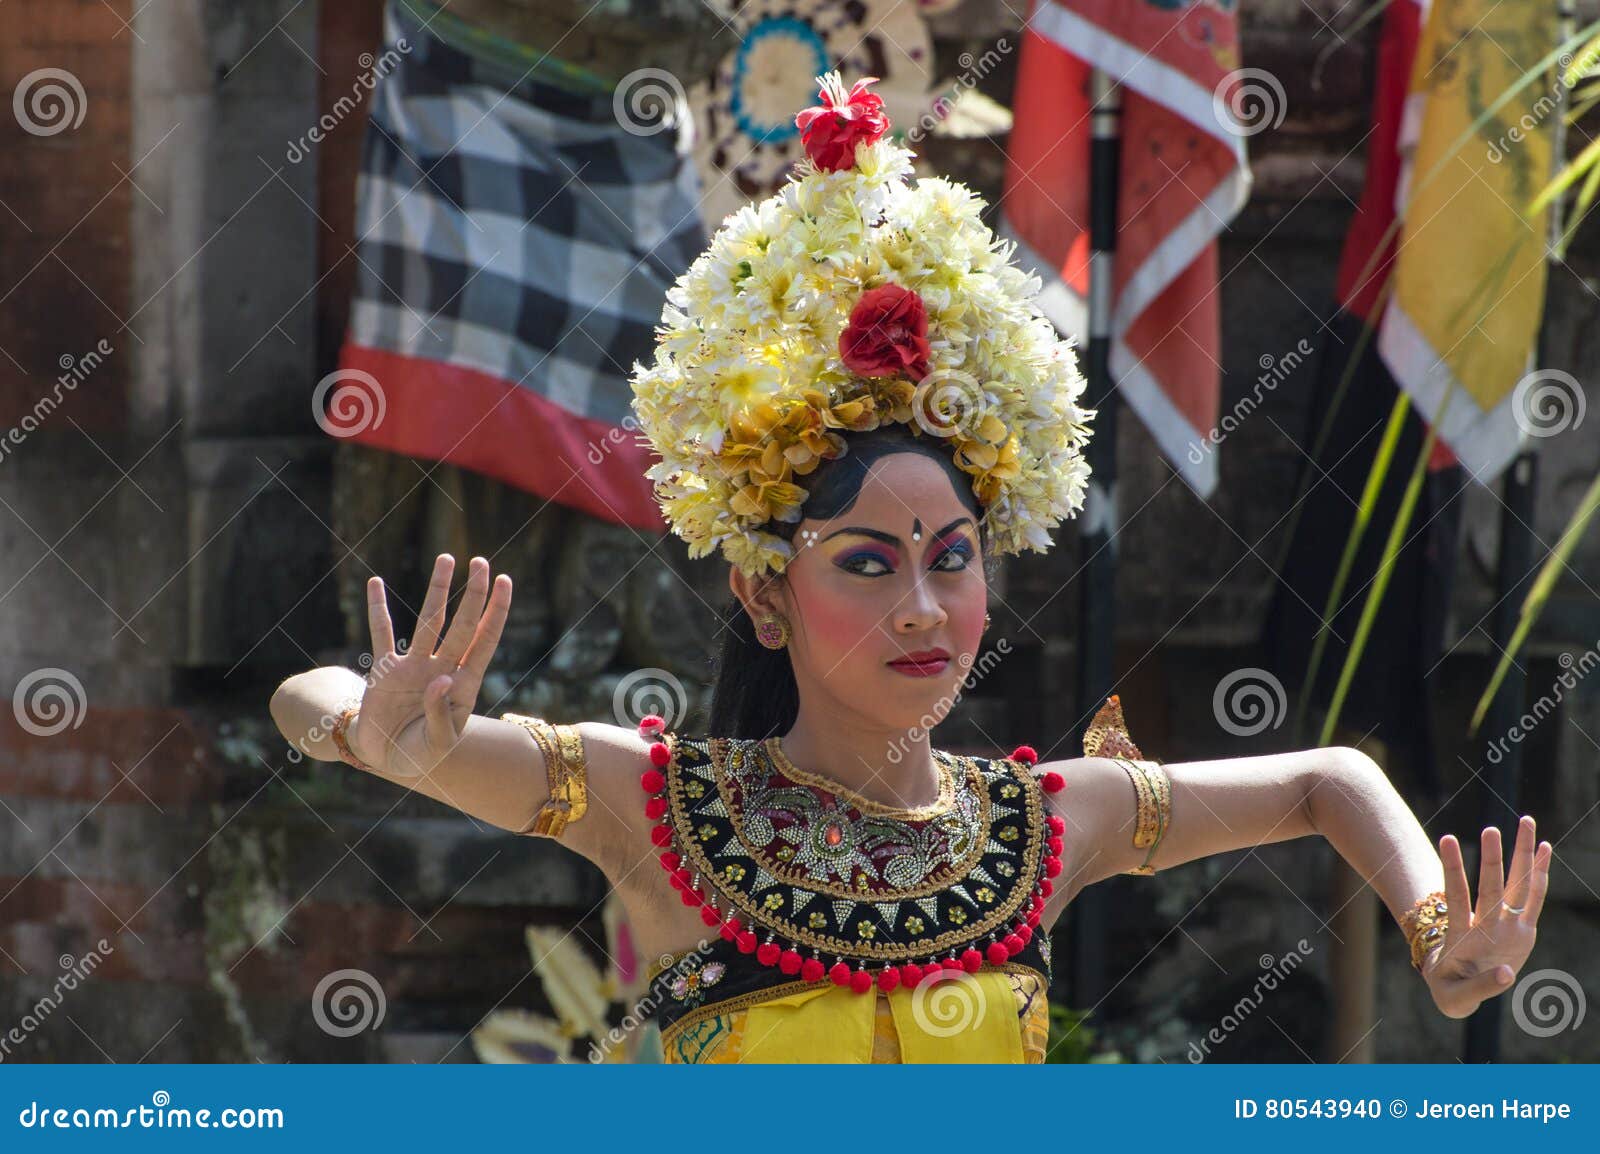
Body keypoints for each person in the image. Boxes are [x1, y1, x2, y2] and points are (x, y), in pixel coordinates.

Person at [270, 73, 1552, 1064]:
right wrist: (394, 736)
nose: (925, 607)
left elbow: (1332, 779)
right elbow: (303, 697)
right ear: (765, 593)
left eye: (953, 559)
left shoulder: (1047, 820)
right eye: (869, 564)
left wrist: (1437, 926)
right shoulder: (650, 805)